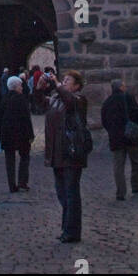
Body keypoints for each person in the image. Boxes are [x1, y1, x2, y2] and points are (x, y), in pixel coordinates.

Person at [44, 69, 91, 243]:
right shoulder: (57, 100)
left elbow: (70, 101)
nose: (64, 82)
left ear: (77, 85)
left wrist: (57, 85)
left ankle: (72, 231)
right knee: (62, 193)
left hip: (71, 152)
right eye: (63, 80)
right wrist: (40, 89)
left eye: (68, 80)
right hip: (57, 153)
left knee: (71, 193)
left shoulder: (79, 99)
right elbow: (42, 105)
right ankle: (67, 226)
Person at [100, 78, 138, 200]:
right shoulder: (128, 97)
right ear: (121, 87)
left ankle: (121, 192)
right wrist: (136, 127)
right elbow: (137, 113)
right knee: (135, 161)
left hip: (116, 138)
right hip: (130, 135)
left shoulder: (107, 102)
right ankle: (136, 185)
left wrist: (112, 131)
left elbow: (104, 120)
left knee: (118, 166)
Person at [0, 75, 35, 192]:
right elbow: (26, 118)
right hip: (21, 134)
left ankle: (12, 185)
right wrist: (31, 134)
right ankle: (22, 181)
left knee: (10, 160)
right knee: (25, 157)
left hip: (7, 134)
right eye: (20, 86)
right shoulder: (21, 99)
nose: (22, 88)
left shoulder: (4, 99)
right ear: (16, 86)